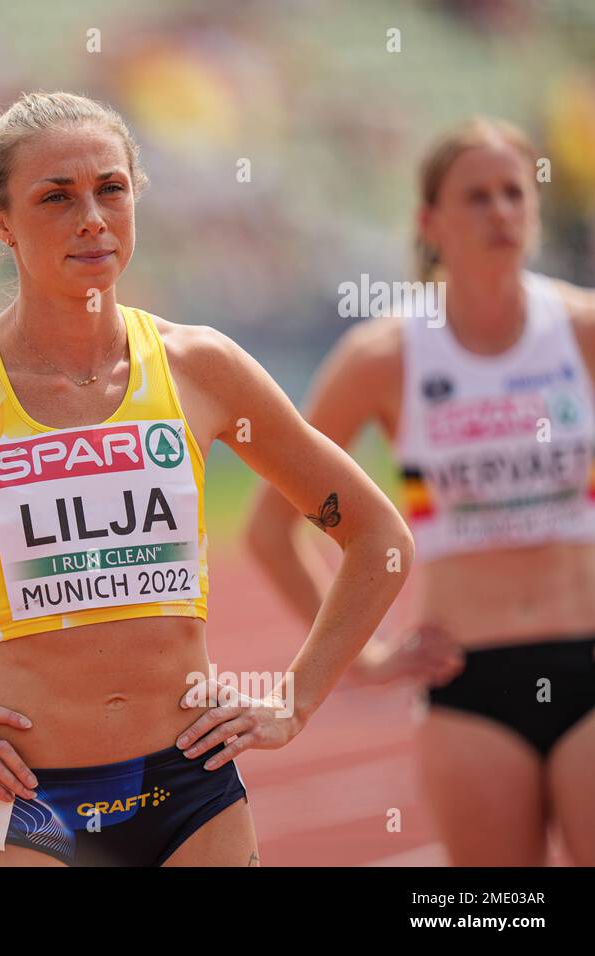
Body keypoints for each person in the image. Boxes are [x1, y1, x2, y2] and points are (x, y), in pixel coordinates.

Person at [0, 91, 413, 866]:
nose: (91, 216)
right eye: (56, 197)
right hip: (31, 812)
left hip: (195, 795)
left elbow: (377, 536)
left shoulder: (203, 371)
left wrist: (292, 703)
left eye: (111, 189)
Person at [245, 117, 595, 866]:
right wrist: (362, 656)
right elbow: (271, 526)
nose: (502, 211)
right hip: (469, 681)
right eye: (477, 196)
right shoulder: (385, 357)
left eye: (514, 193)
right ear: (430, 221)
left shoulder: (583, 330)